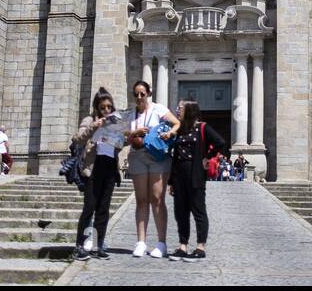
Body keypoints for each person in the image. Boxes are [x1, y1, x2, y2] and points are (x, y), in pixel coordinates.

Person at [167, 99, 228, 261]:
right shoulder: (180, 130)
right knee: (180, 212)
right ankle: (183, 245)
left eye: (180, 108)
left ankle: (200, 246)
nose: (177, 111)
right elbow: (176, 155)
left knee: (198, 210)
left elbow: (220, 142)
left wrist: (207, 158)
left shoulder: (202, 127)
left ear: (190, 110)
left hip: (195, 175)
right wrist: (171, 181)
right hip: (179, 175)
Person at [126, 79, 180, 258]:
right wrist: (136, 132)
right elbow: (122, 137)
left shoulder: (159, 109)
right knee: (141, 199)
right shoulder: (130, 114)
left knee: (157, 198)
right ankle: (141, 242)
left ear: (149, 93)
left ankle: (161, 243)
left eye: (143, 93)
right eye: (136, 94)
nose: (139, 97)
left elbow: (176, 123)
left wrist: (170, 133)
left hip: (158, 157)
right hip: (137, 156)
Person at [70, 88, 123, 260]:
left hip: (109, 168)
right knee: (89, 207)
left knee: (103, 209)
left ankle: (98, 245)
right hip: (93, 168)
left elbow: (121, 144)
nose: (106, 110)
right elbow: (78, 139)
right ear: (97, 108)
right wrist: (94, 127)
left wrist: (129, 134)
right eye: (103, 107)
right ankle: (80, 245)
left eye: (109, 107)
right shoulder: (89, 120)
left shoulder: (115, 122)